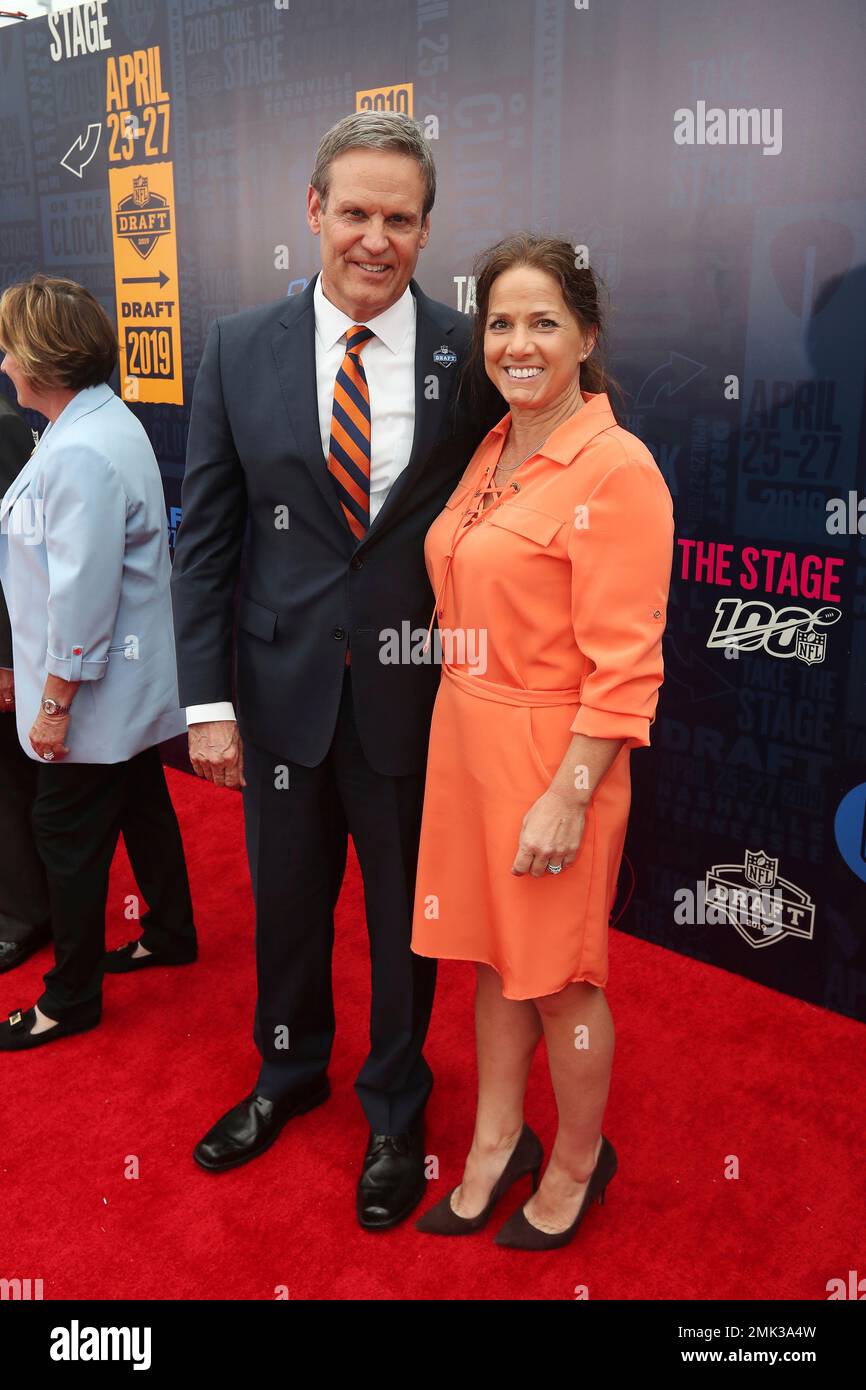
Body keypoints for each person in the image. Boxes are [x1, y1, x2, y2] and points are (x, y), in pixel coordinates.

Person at [170, 111, 504, 1230]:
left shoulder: (472, 355)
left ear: (424, 230)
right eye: (353, 211)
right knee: (285, 905)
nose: (374, 237)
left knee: (411, 925)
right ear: (312, 210)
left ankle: (395, 1107)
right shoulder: (235, 343)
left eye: (398, 219)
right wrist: (206, 702)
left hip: (415, 695)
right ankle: (286, 1071)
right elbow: (207, 538)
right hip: (274, 700)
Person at [411, 235, 674, 1249]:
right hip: (465, 740)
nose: (517, 343)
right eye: (500, 323)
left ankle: (575, 1159)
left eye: (542, 322)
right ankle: (493, 1141)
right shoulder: (498, 442)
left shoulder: (615, 467)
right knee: (490, 959)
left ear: (586, 335)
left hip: (551, 758)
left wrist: (566, 793)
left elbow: (627, 668)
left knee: (559, 973)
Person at [0, 275, 197, 1051]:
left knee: (63, 829)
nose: (2, 359)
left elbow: (81, 597)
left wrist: (52, 703)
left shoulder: (80, 448)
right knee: (141, 799)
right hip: (120, 679)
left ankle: (71, 997)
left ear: (41, 358)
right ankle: (172, 930)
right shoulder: (93, 422)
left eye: (11, 343)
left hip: (92, 687)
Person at [0, 390, 51, 972]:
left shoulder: (4, 426)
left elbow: (14, 554)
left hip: (9, 642)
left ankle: (26, 913)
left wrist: (8, 656)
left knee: (10, 780)